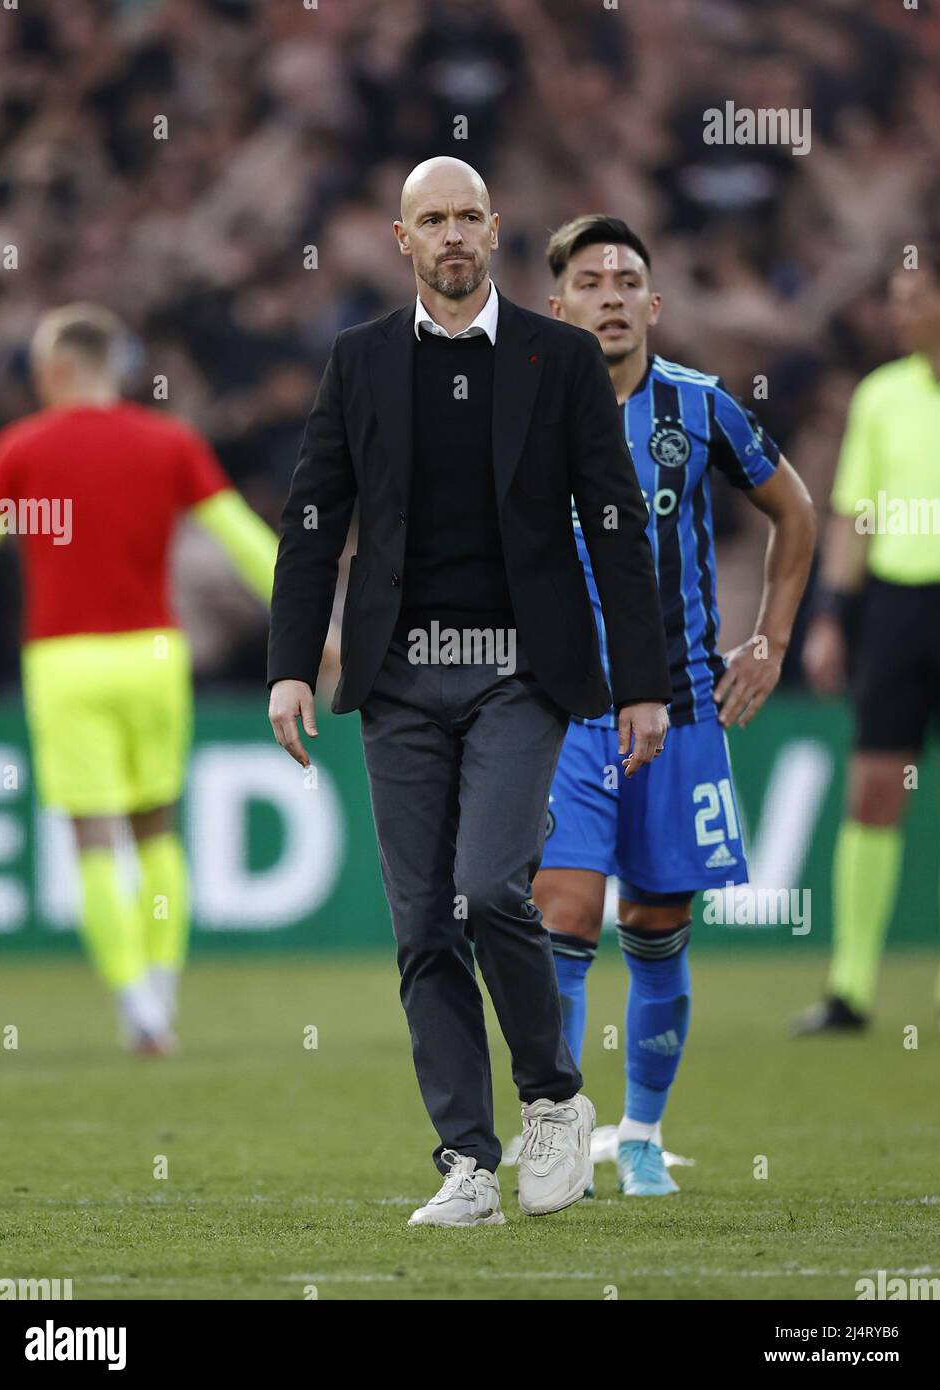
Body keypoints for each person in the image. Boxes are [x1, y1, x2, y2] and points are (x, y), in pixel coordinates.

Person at [267, 160, 671, 1226]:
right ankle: (464, 1162)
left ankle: (550, 1097)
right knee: (420, 926)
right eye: (429, 220)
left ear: (494, 232)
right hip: (396, 678)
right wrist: (286, 664)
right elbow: (312, 520)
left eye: (465, 218)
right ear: (400, 241)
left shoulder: (560, 357)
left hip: (517, 671)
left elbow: (617, 529)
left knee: (490, 886)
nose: (450, 235)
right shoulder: (356, 363)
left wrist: (642, 685)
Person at [532, 216, 815, 1194]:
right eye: (588, 280)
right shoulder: (521, 412)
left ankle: (641, 1131)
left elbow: (794, 509)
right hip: (561, 713)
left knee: (653, 925)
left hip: (684, 710)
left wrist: (770, 641)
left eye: (624, 281)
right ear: (555, 305)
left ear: (651, 306)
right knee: (561, 917)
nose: (608, 294)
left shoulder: (696, 406)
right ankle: (558, 1132)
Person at [0, 303, 278, 1052]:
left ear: (54, 370)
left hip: (62, 661)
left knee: (92, 841)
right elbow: (243, 539)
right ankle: (162, 993)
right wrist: (316, 627)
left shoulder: (19, 450)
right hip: (152, 656)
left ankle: (136, 1007)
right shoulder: (168, 443)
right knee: (156, 830)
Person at [798, 253, 940, 1037]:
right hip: (897, 607)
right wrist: (830, 614)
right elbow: (852, 514)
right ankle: (850, 988)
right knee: (873, 789)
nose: (899, 312)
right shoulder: (881, 395)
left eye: (913, 298)